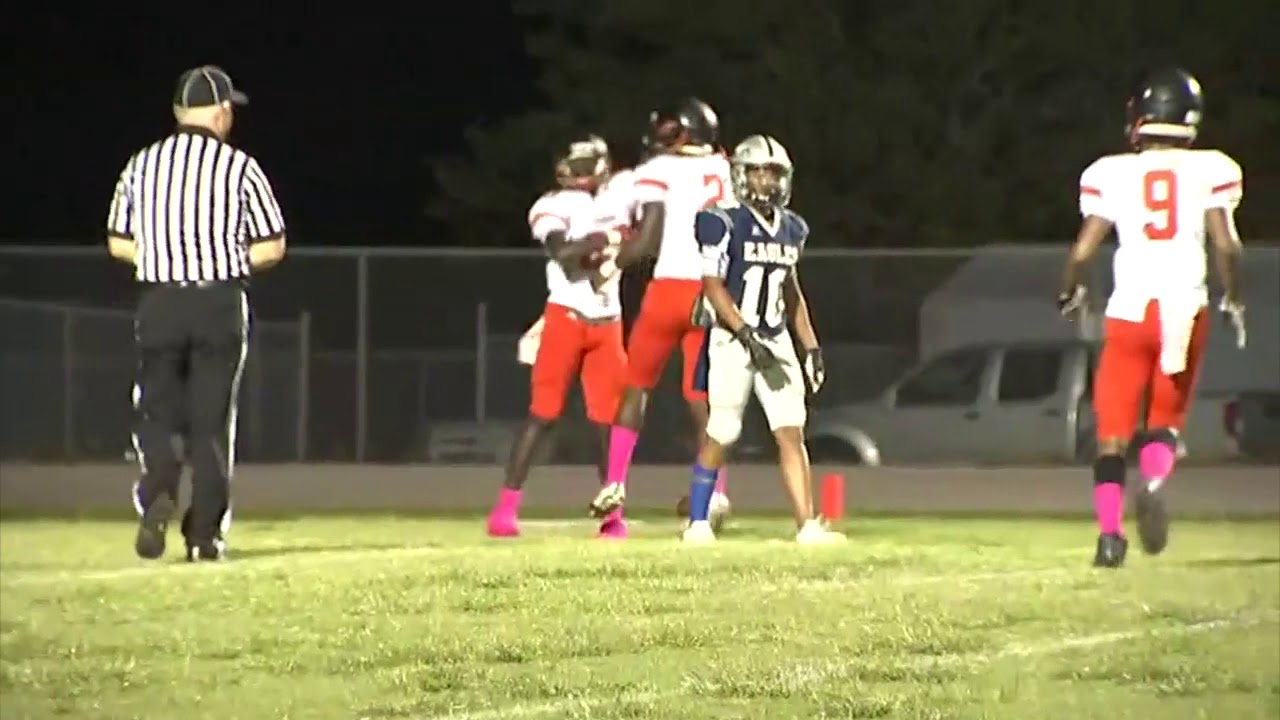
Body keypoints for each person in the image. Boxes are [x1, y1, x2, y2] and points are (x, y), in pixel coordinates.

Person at [1059, 67, 1245, 568]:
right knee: (1164, 421)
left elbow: (1081, 252)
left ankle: (1109, 537)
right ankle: (1156, 481)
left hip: (1128, 310)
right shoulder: (1211, 168)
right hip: (1185, 307)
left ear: (1140, 117)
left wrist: (1069, 289)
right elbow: (1227, 243)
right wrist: (1233, 294)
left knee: (1112, 432)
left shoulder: (1110, 172)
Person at [109, 65, 287, 561]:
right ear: (223, 112)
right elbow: (272, 246)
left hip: (161, 301)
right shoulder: (239, 167)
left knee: (158, 409)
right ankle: (204, 535)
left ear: (177, 112)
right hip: (218, 301)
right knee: (212, 422)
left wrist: (167, 259)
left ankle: (159, 487)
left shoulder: (142, 164)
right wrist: (223, 258)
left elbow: (119, 241)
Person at [683, 135, 844, 544]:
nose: (766, 182)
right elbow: (712, 286)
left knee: (791, 430)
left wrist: (810, 345)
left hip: (774, 337)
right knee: (724, 429)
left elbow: (791, 292)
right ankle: (698, 521)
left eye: (773, 174)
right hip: (732, 338)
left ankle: (807, 525)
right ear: (740, 174)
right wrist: (742, 331)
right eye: (758, 172)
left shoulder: (792, 228)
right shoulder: (720, 220)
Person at [487, 135, 642, 538]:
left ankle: (613, 514)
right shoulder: (552, 205)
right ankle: (505, 507)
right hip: (566, 317)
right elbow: (561, 252)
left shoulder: (622, 192)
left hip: (608, 322)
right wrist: (602, 240)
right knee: (543, 414)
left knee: (607, 423)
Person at [588, 98, 732, 520]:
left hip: (670, 289)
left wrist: (615, 261)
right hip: (712, 290)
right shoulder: (726, 169)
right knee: (701, 398)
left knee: (636, 387)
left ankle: (615, 482)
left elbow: (648, 239)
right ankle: (715, 491)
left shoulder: (658, 170)